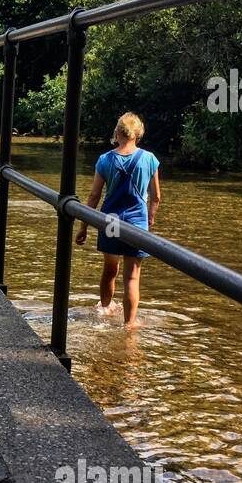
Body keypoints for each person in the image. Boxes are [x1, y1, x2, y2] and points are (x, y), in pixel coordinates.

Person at [75, 111, 161, 330]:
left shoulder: (105, 159)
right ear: (138, 133)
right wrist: (150, 218)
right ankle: (129, 325)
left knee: (110, 269)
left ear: (117, 132)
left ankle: (105, 308)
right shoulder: (149, 159)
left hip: (111, 220)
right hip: (136, 221)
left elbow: (94, 196)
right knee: (132, 277)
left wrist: (83, 226)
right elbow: (156, 196)